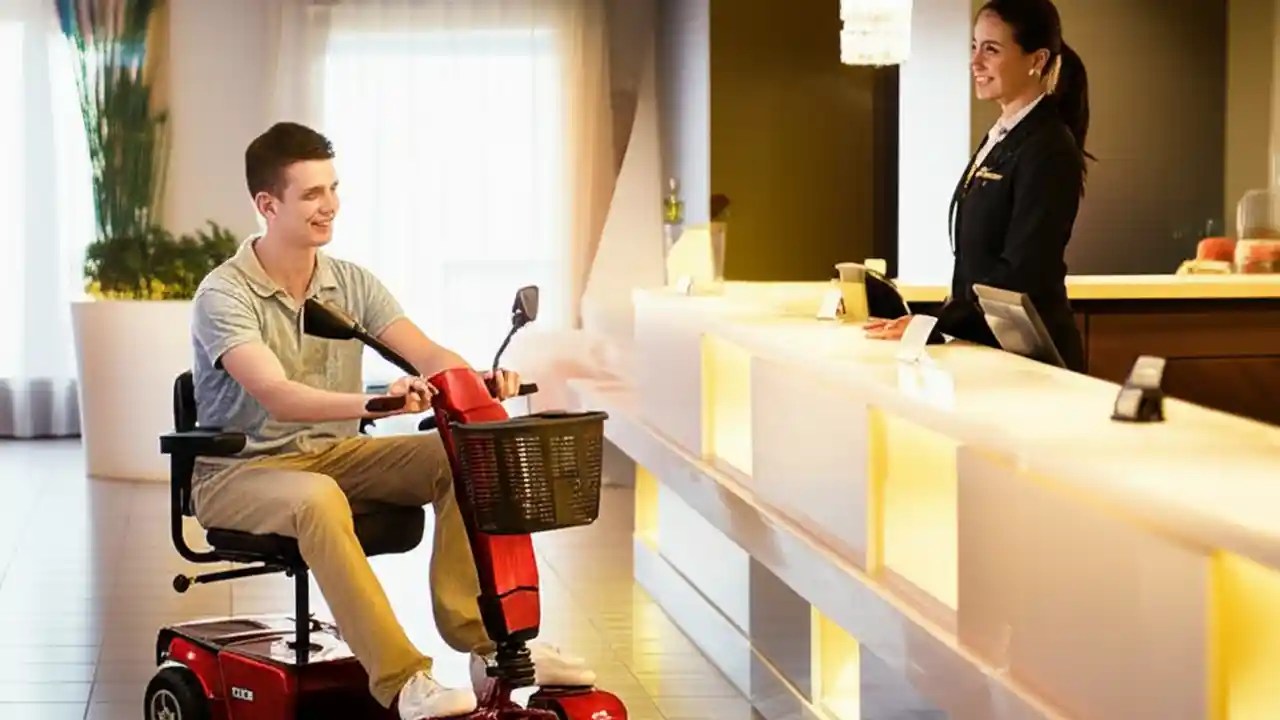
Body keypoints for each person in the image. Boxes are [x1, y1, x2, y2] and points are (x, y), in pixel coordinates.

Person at [189, 122, 594, 719]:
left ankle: (489, 647)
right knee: (316, 498)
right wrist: (377, 403)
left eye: (333, 188)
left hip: (335, 456)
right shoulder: (223, 294)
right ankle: (403, 681)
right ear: (267, 206)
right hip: (241, 472)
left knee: (461, 455)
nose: (330, 205)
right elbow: (276, 394)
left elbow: (426, 353)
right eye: (311, 194)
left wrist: (478, 382)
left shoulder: (350, 282)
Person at [867, 0, 1090, 372]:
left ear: (1037, 60)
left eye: (992, 49)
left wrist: (937, 323)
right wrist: (934, 320)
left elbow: (1022, 273)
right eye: (974, 46)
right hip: (991, 348)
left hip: (1030, 357)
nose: (975, 62)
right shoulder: (1004, 136)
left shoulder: (1049, 147)